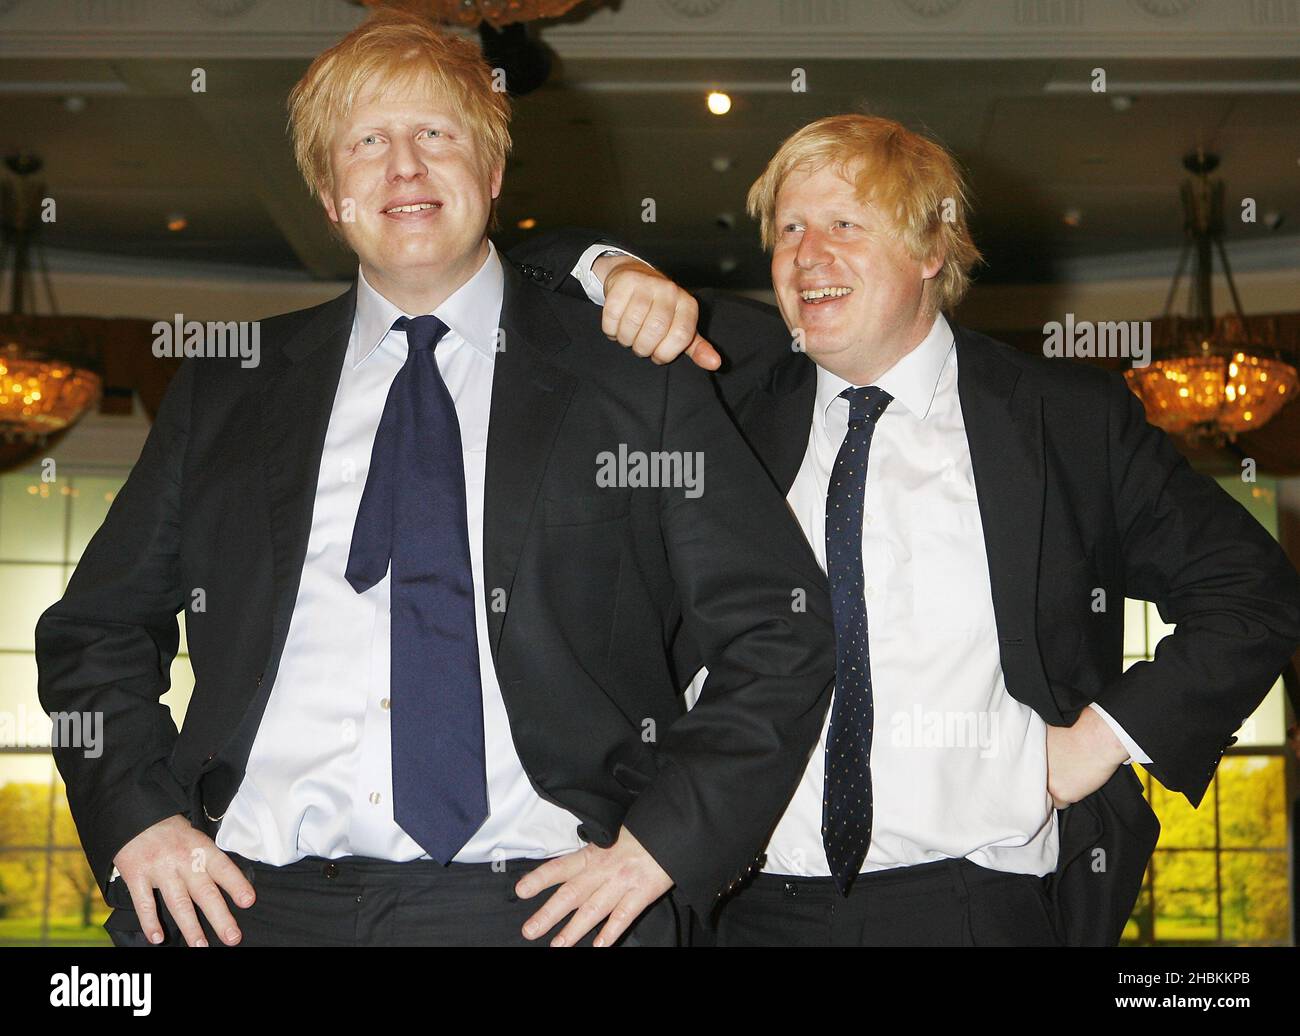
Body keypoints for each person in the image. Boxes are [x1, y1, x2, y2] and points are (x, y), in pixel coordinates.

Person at [35, 10, 836, 948]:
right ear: (329, 195)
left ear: (491, 175)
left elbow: (779, 630)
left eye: (435, 135)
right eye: (366, 142)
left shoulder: (636, 379)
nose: (404, 167)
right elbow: (95, 630)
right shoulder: (229, 385)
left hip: (550, 910)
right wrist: (133, 812)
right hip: (246, 908)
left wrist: (660, 850)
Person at [514, 113, 1300, 945]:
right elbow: (525, 267)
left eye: (844, 224)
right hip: (737, 908)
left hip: (971, 910)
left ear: (932, 249)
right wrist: (621, 268)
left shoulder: (1063, 423)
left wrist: (1101, 740)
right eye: (788, 228)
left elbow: (1251, 593)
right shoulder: (721, 383)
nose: (806, 255)